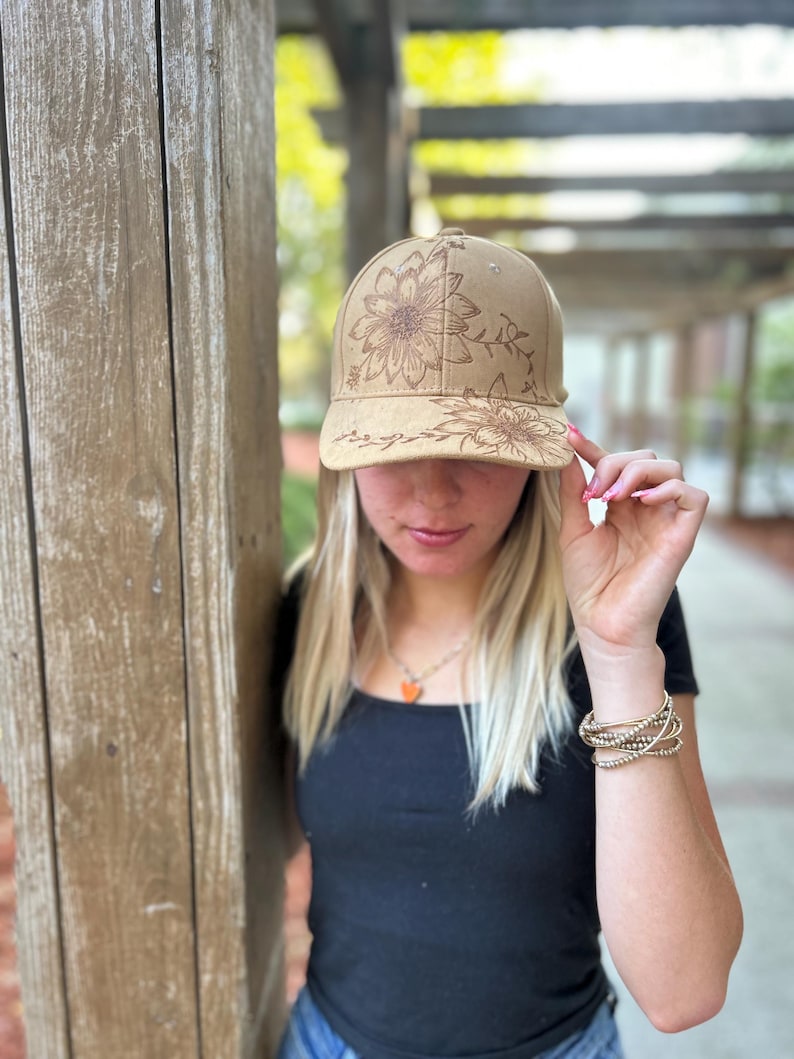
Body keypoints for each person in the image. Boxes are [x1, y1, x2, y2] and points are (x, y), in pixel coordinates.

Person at [274, 228, 743, 1059]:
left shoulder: (617, 625)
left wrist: (619, 649)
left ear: (544, 453)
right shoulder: (308, 614)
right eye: (395, 449)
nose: (432, 493)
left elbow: (685, 989)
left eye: (477, 449)